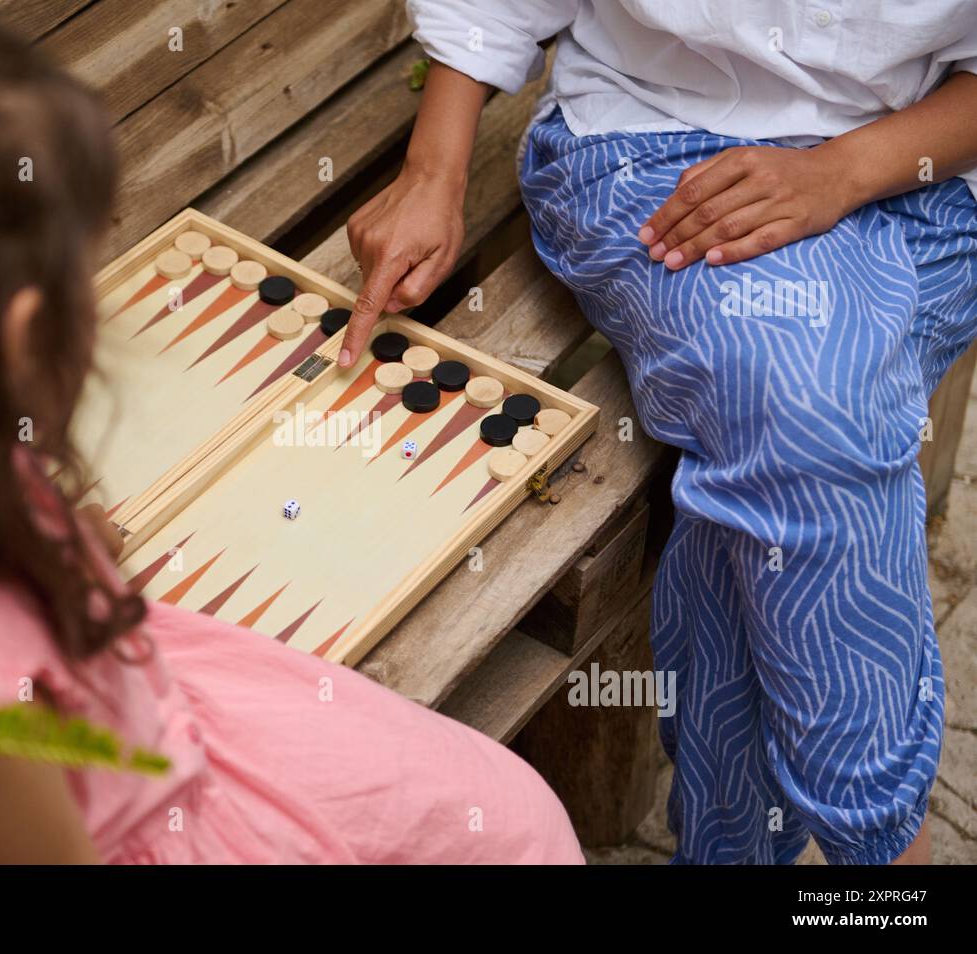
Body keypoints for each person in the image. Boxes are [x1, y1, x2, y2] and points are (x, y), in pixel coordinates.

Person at [0, 21, 583, 865]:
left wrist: (54, 549)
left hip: (133, 704)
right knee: (518, 834)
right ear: (25, 339)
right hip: (146, 815)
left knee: (511, 810)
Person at [343, 1, 977, 864]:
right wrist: (433, 172)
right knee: (804, 418)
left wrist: (842, 174)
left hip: (919, 170)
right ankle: (889, 859)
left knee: (793, 442)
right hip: (655, 143)